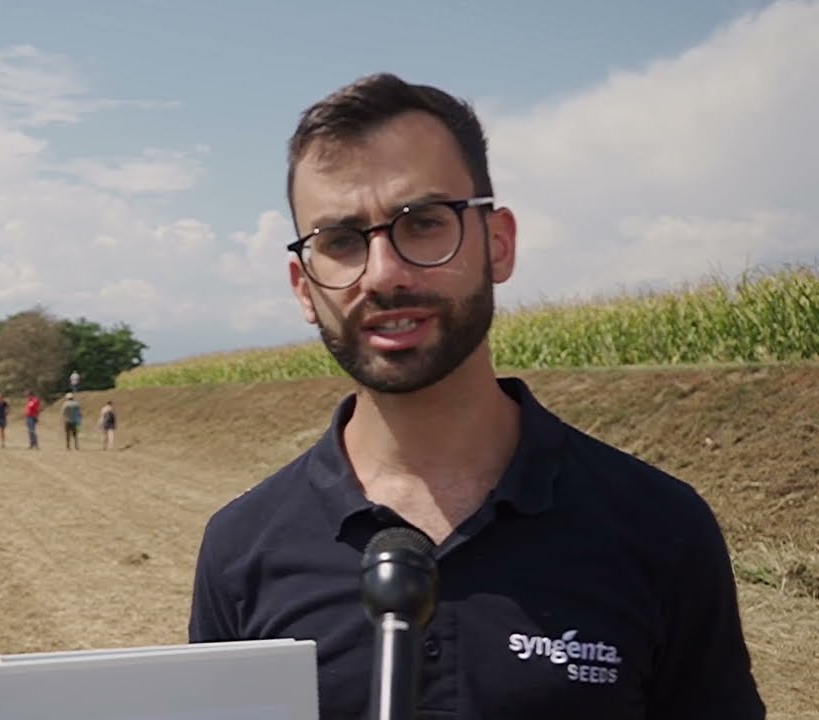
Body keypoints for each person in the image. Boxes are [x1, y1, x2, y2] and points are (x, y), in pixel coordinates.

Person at [187, 73, 763, 719]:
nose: (383, 274)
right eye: (341, 241)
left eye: (424, 223)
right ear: (302, 285)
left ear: (498, 244)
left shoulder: (660, 529)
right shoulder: (241, 551)